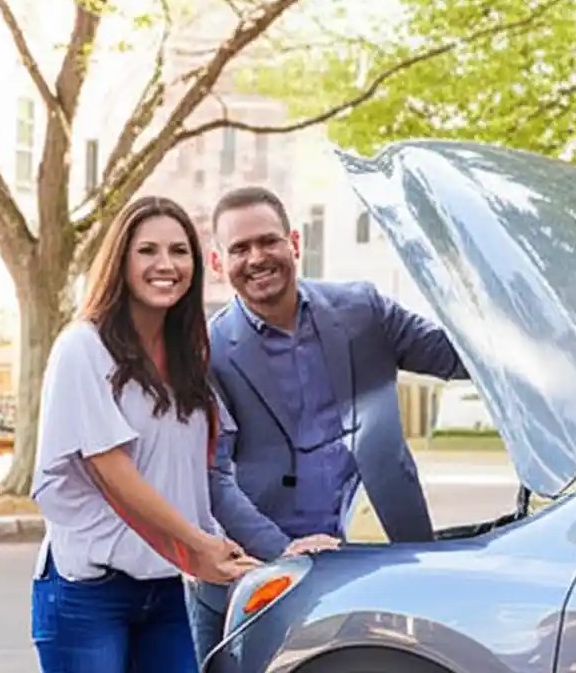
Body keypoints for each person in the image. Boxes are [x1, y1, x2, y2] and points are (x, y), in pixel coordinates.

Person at [185, 186, 469, 661]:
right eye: (239, 248)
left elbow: (458, 357)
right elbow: (213, 478)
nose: (257, 258)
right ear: (219, 264)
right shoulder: (207, 353)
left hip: (364, 569)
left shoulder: (364, 310)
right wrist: (285, 552)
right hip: (249, 580)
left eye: (268, 241)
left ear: (294, 243)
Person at [29, 196, 260, 673]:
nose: (166, 264)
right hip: (87, 590)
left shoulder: (189, 358)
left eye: (180, 251)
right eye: (147, 251)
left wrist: (252, 544)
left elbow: (191, 474)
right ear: (121, 262)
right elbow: (112, 470)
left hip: (164, 587)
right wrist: (198, 543)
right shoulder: (83, 347)